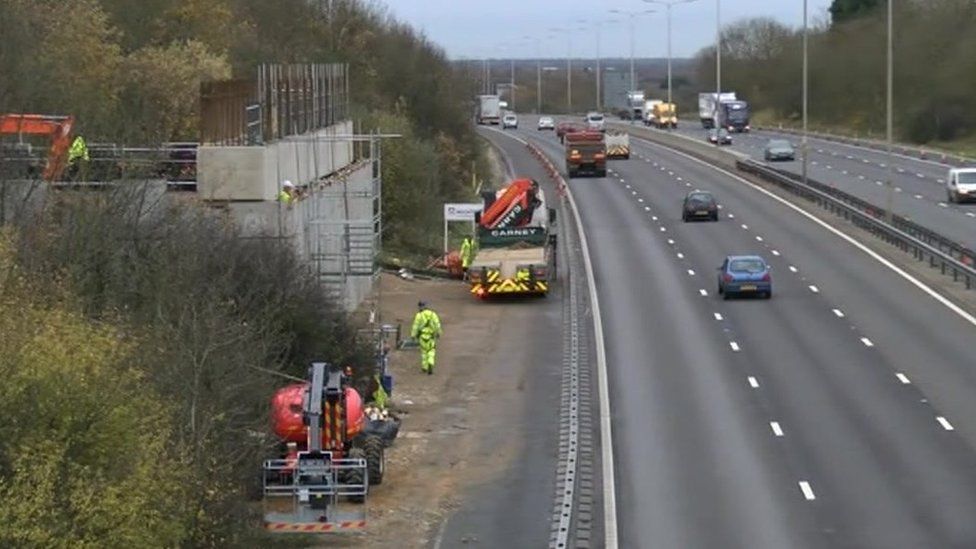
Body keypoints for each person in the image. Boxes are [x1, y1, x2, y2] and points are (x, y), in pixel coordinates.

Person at [410, 301, 442, 375]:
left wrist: (413, 335)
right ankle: (430, 362)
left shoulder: (419, 315)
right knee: (431, 350)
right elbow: (437, 324)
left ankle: (425, 367)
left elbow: (415, 326)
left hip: (422, 336)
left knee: (424, 352)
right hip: (431, 336)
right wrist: (439, 332)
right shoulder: (433, 314)